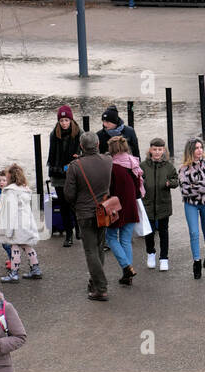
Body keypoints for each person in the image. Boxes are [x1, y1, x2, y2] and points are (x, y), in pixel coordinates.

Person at [64, 131, 112, 301]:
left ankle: (101, 287)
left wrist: (77, 205)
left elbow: (68, 194)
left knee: (91, 250)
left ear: (81, 146)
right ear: (98, 145)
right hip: (104, 211)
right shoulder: (108, 161)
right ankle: (95, 282)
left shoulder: (75, 166)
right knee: (99, 247)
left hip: (85, 213)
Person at [177, 138, 205, 280]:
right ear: (190, 150)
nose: (199, 150)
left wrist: (194, 186)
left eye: (201, 147)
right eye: (196, 148)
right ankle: (196, 261)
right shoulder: (183, 168)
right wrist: (203, 186)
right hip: (190, 204)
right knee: (194, 232)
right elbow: (185, 190)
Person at [0, 165, 42, 283]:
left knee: (14, 246)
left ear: (11, 176)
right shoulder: (24, 189)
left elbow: (11, 211)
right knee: (27, 246)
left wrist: (8, 230)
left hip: (16, 225)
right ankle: (35, 269)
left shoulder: (11, 191)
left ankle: (14, 273)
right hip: (26, 223)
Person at [104, 136, 142, 287]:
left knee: (111, 236)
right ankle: (128, 275)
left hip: (116, 207)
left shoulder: (112, 167)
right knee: (126, 239)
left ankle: (127, 267)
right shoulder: (133, 163)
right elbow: (138, 186)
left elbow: (109, 188)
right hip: (131, 206)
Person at [142, 138, 178, 272]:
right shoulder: (143, 166)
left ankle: (164, 258)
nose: (157, 152)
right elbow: (138, 181)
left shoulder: (168, 166)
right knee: (149, 232)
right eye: (154, 149)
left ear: (164, 151)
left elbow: (176, 179)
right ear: (150, 150)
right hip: (148, 205)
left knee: (163, 232)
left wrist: (171, 183)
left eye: (160, 149)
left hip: (163, 205)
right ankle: (151, 253)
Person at [46, 105, 80, 246]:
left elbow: (82, 156)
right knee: (64, 205)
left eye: (66, 120)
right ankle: (69, 235)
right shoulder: (54, 134)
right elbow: (52, 155)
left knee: (76, 204)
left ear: (71, 120)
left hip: (74, 174)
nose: (64, 123)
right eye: (62, 121)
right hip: (59, 175)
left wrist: (73, 162)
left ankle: (78, 228)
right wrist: (57, 169)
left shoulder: (79, 133)